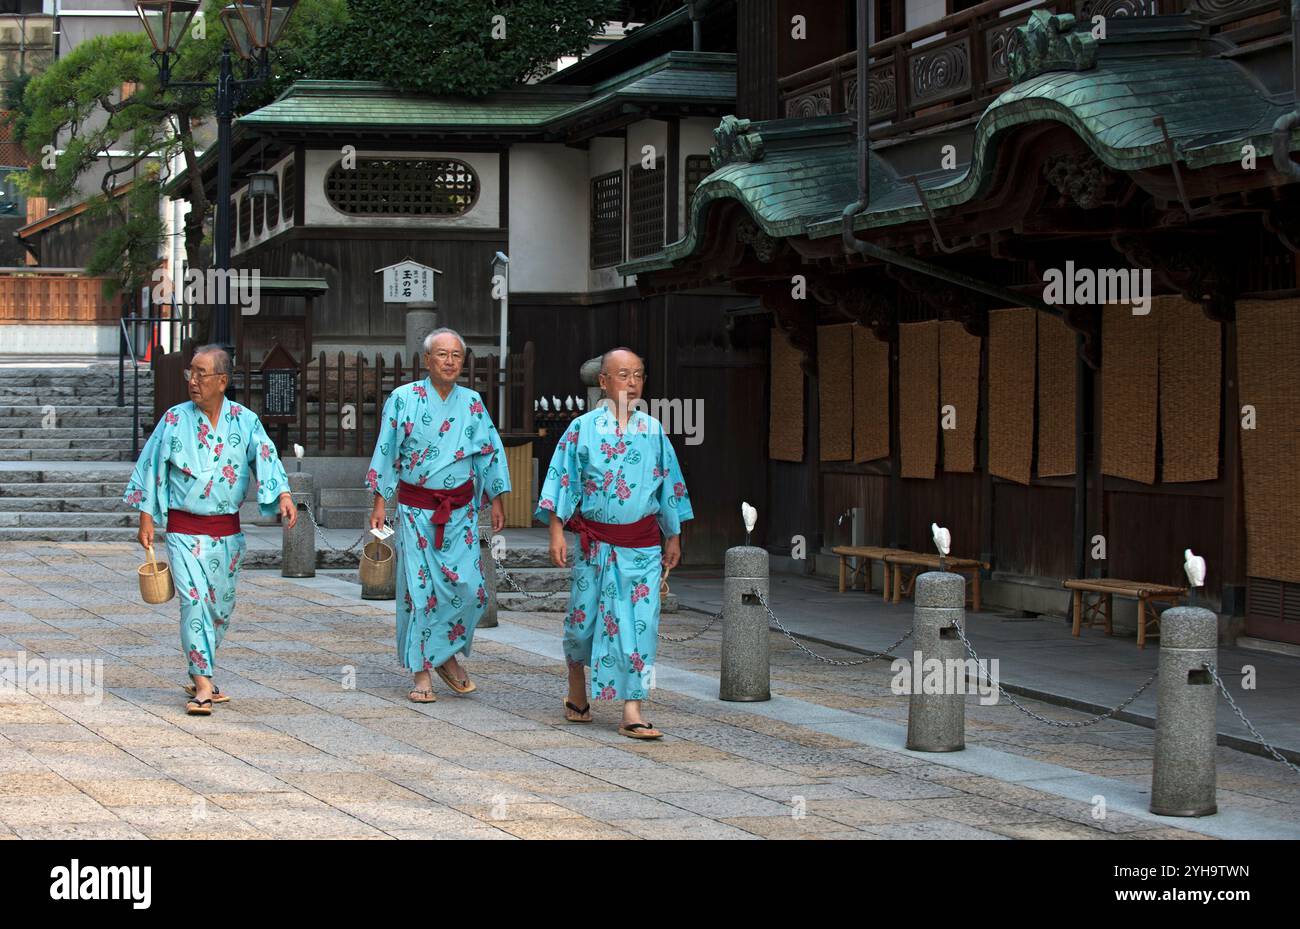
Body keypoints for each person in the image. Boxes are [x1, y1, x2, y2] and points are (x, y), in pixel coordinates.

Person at [124, 345, 295, 716]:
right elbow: (152, 466)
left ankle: (199, 668)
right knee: (194, 603)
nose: (194, 380)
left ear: (222, 381)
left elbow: (266, 456)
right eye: (191, 372)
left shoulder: (244, 421)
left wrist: (282, 493)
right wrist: (146, 517)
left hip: (228, 536)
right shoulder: (173, 420)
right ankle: (203, 684)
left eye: (202, 373)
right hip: (185, 531)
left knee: (220, 609)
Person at [536, 347, 693, 739]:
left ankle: (632, 709)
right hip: (595, 545)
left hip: (641, 546)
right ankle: (576, 684)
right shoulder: (581, 429)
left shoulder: (654, 431)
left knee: (639, 625)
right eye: (623, 374)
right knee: (582, 622)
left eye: (638, 374)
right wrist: (557, 530)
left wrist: (672, 534)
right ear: (603, 382)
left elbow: (668, 487)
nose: (632, 381)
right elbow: (562, 480)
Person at [366, 328, 510, 702]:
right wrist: (381, 500)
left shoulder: (473, 403)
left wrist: (496, 497)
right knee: (421, 592)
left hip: (460, 512)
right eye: (441, 355)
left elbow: (489, 453)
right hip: (415, 511)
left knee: (473, 591)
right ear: (427, 360)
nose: (449, 361)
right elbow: (387, 450)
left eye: (456, 356)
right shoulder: (402, 399)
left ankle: (444, 653)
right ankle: (421, 674)